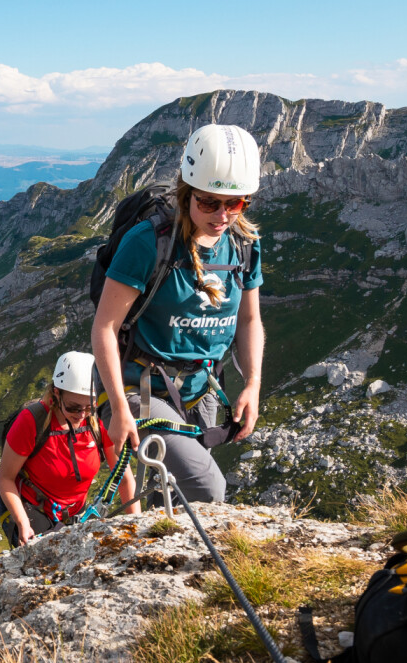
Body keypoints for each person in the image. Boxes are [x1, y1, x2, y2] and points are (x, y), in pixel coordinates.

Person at [92, 123, 264, 509]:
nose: (222, 215)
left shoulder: (244, 246)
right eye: (208, 202)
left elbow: (249, 320)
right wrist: (119, 408)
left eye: (235, 203)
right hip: (141, 387)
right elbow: (105, 326)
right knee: (207, 489)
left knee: (178, 488)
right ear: (187, 192)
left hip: (201, 389)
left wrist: (252, 384)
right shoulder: (149, 242)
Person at [0, 351, 135, 546]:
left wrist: (137, 525)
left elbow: (124, 477)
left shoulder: (99, 421)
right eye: (73, 407)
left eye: (89, 407)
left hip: (75, 510)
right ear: (56, 393)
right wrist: (22, 522)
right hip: (31, 507)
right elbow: (5, 478)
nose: (81, 415)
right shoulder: (31, 421)